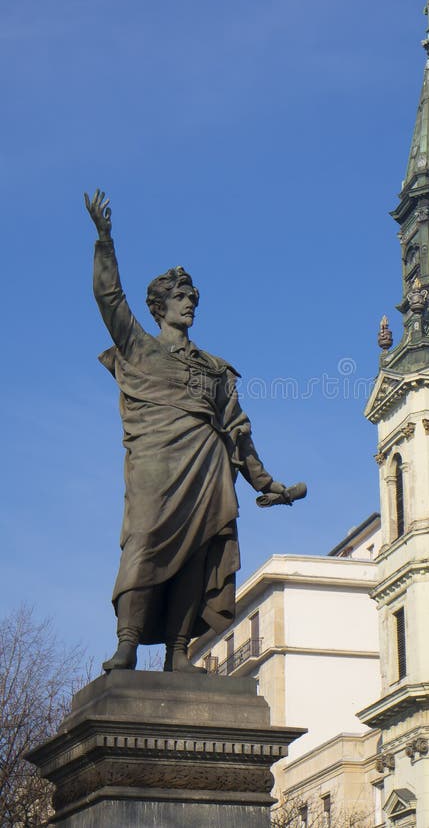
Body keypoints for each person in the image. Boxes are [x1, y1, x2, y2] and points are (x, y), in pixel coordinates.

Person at [85, 189, 291, 673]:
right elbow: (108, 298)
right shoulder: (138, 348)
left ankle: (177, 653)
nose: (189, 304)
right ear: (159, 306)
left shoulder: (215, 368)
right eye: (180, 298)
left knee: (196, 556)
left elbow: (238, 429)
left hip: (207, 465)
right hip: (156, 464)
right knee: (144, 542)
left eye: (193, 298)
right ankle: (128, 644)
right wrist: (105, 241)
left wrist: (266, 483)